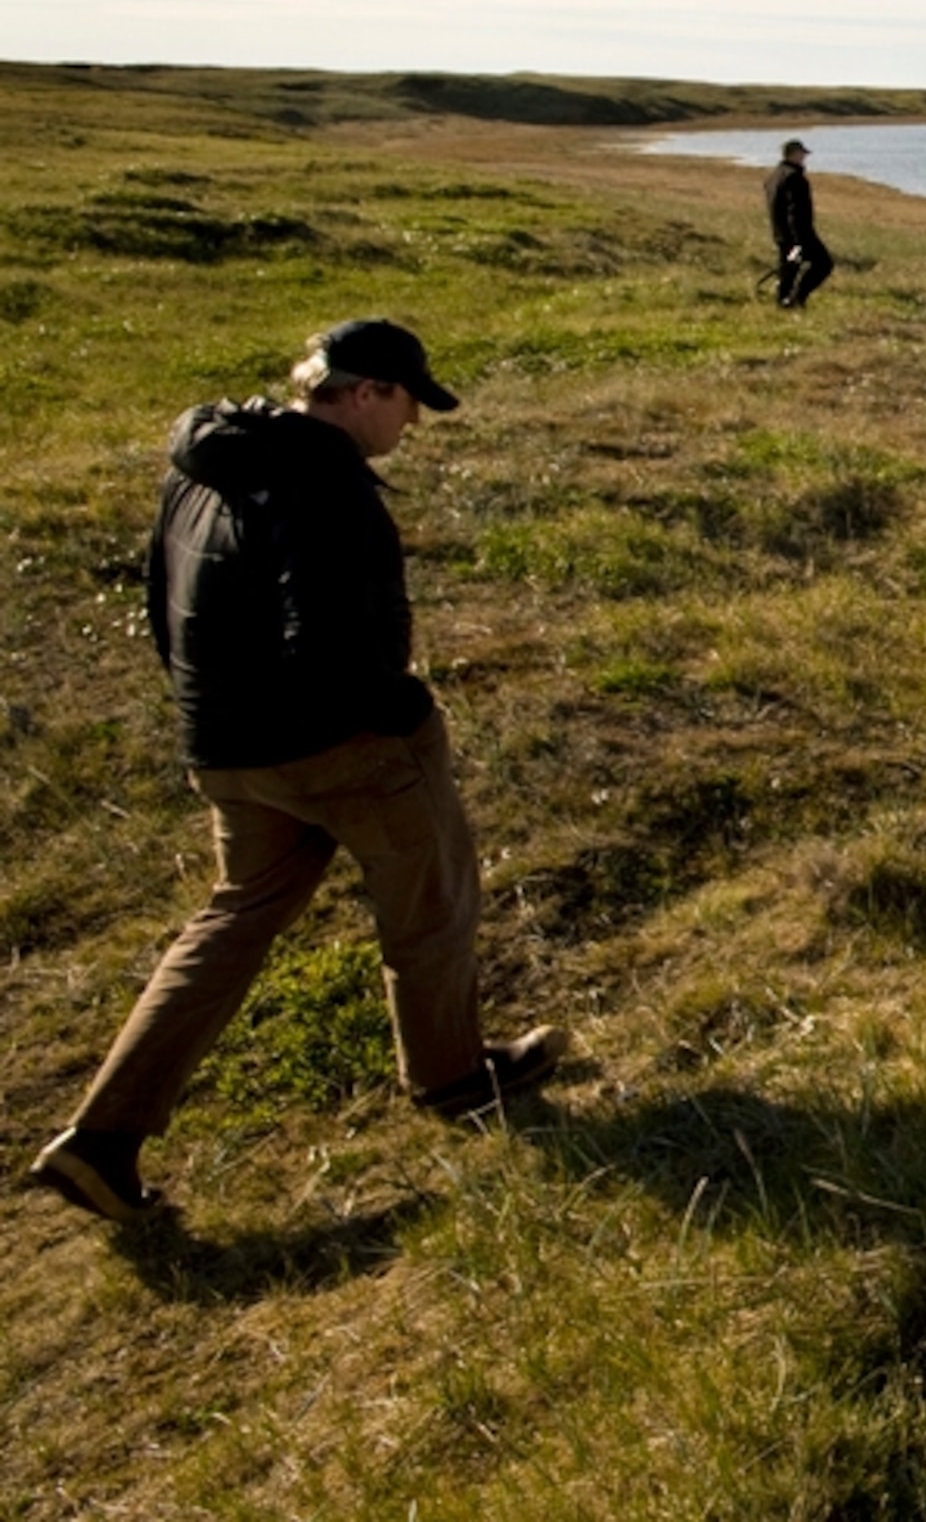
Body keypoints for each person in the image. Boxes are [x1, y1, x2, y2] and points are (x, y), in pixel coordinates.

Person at [26, 320, 565, 1223]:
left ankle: (102, 1137)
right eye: (407, 402)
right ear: (363, 392)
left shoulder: (202, 463)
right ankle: (452, 1079)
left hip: (227, 750)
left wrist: (210, 714)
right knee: (433, 904)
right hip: (343, 751)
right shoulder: (325, 481)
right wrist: (393, 711)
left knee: (232, 923)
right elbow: (330, 630)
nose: (412, 424)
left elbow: (163, 601)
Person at [768, 138, 834, 309]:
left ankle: (784, 301)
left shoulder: (774, 176)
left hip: (780, 232)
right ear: (793, 154)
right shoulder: (794, 178)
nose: (804, 158)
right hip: (799, 233)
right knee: (823, 264)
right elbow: (796, 211)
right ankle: (797, 298)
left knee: (790, 266)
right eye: (802, 154)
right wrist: (799, 240)